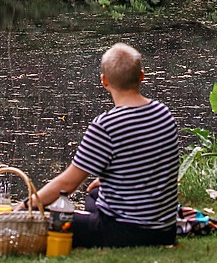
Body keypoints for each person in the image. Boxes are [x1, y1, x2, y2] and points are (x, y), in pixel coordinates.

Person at [25, 42, 179, 248]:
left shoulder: (106, 125)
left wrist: (27, 206)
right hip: (165, 230)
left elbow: (67, 184)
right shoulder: (163, 113)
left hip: (123, 232)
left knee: (55, 219)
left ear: (104, 81)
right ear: (141, 76)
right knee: (94, 193)